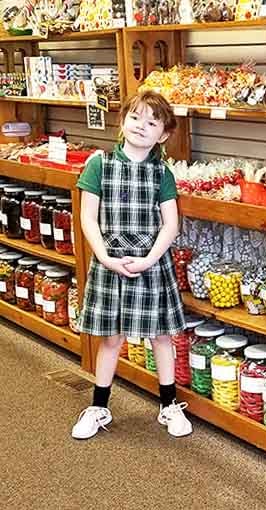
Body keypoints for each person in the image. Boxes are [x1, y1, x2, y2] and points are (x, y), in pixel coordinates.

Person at [71, 90, 191, 440]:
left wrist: (150, 259)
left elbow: (171, 224)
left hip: (150, 263)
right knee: (111, 339)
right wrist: (105, 257)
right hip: (110, 261)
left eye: (152, 122)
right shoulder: (99, 164)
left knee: (161, 336)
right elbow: (87, 217)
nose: (142, 126)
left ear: (164, 134)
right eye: (135, 117)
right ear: (122, 121)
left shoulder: (161, 173)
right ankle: (98, 406)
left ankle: (169, 406)